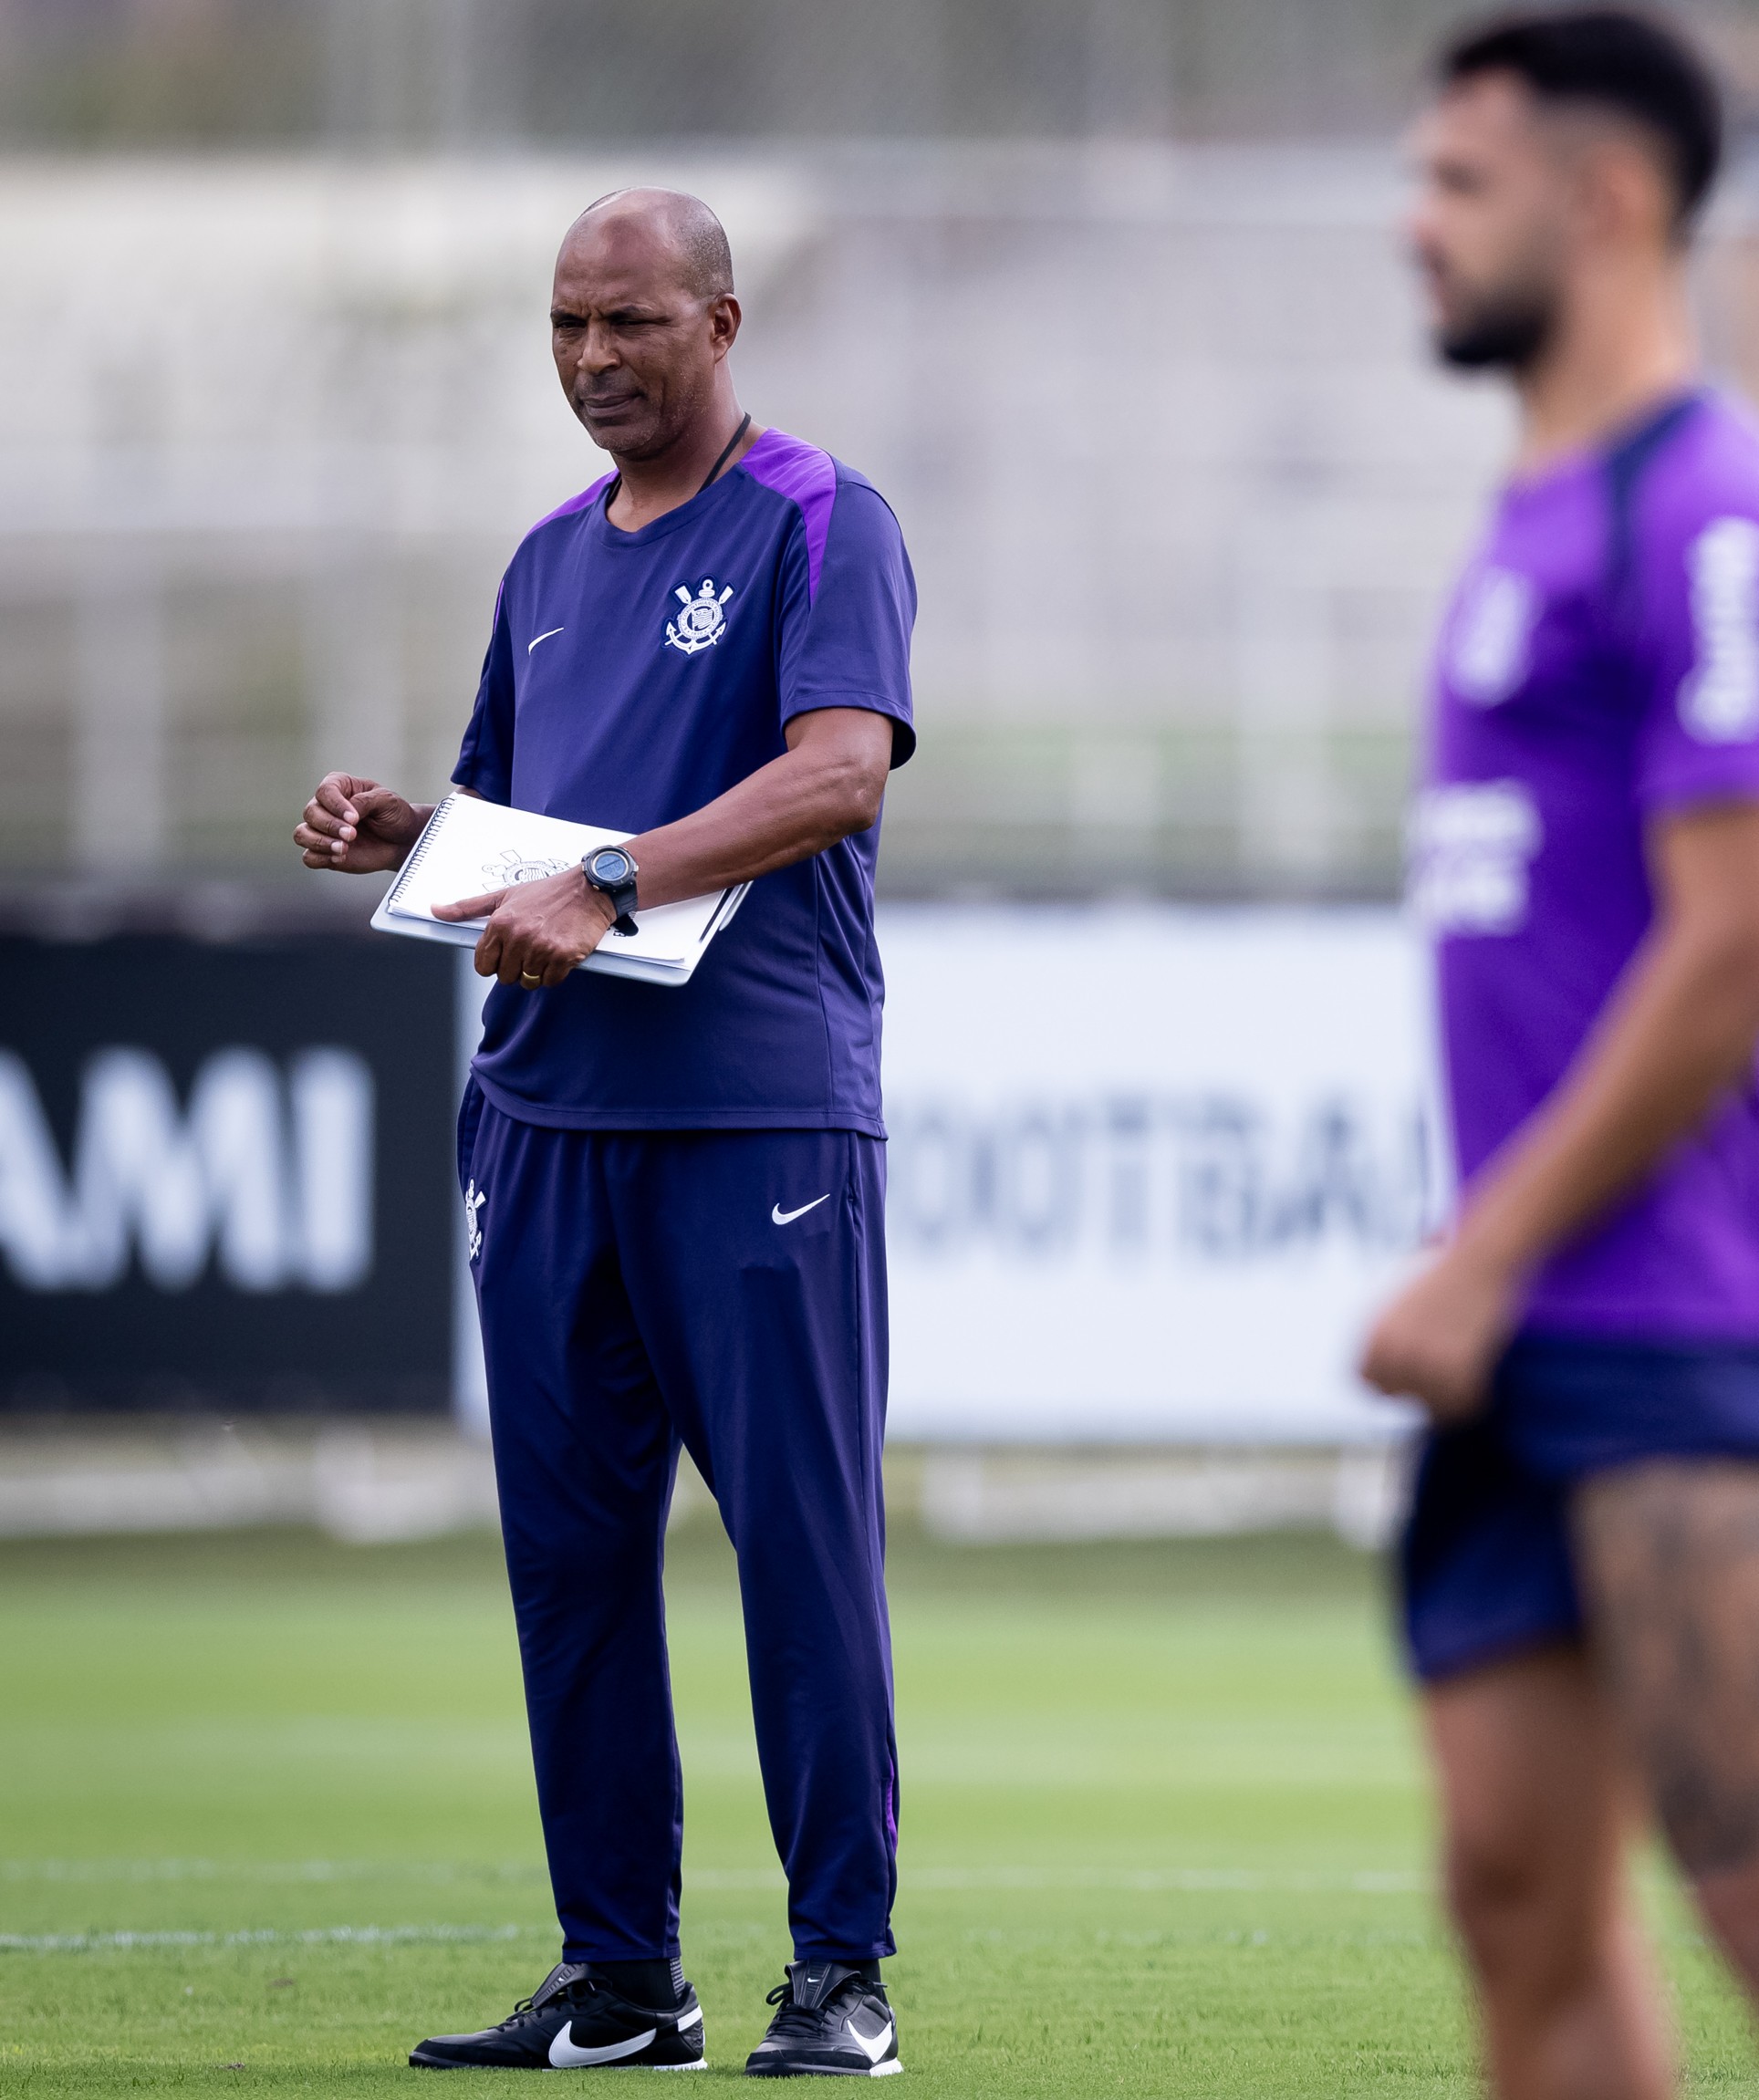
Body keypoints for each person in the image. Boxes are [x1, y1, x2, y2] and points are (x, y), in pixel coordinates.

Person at [1359, 14, 1759, 2100]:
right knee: (1519, 1900)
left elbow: (1744, 947)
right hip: (1543, 1331)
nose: (1409, 224)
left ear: (1604, 202)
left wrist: (1480, 1253)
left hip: (1693, 1315)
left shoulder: (1706, 511)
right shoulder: (1544, 507)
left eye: (1457, 184)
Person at [295, 188, 915, 2078]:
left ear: (722, 320)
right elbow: (516, 830)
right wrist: (419, 834)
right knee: (569, 1562)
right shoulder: (546, 558)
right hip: (546, 1118)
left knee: (800, 1546)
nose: (590, 360)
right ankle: (623, 1975)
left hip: (753, 1117)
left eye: (630, 323)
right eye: (566, 325)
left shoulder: (824, 518)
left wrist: (616, 879)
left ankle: (842, 1978)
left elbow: (838, 767)